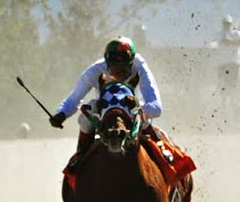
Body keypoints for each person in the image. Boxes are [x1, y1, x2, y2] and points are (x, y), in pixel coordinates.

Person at [50, 36, 165, 173]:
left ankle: (162, 151)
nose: (118, 70)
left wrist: (138, 110)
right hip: (104, 111)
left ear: (131, 62)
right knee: (86, 116)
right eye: (114, 66)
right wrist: (61, 114)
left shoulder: (140, 67)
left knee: (141, 113)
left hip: (131, 110)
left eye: (123, 66)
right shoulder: (94, 70)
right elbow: (74, 99)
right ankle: (80, 156)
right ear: (107, 63)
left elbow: (156, 106)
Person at [217, 15, 240, 88]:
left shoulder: (236, 33)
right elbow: (219, 42)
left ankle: (232, 97)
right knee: (222, 84)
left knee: (233, 84)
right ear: (223, 24)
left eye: (228, 24)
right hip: (223, 63)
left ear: (231, 24)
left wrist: (230, 42)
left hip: (233, 63)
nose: (227, 25)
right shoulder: (220, 33)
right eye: (225, 24)